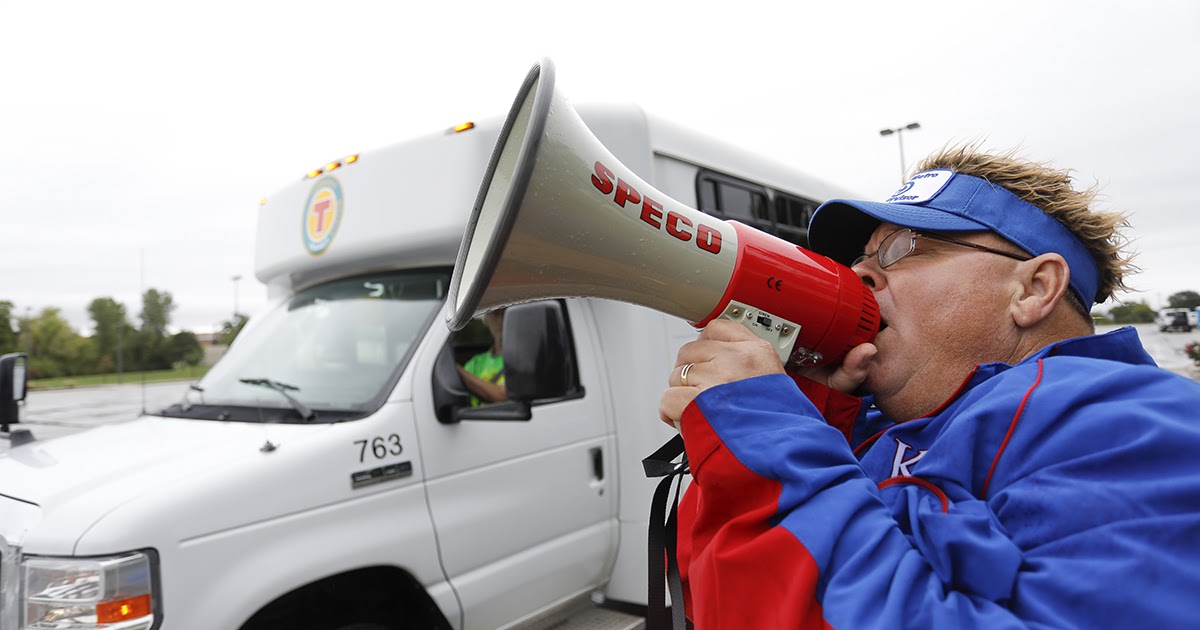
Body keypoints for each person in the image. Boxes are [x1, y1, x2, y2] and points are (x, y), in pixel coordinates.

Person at [659, 145, 1200, 628]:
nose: (860, 278)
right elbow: (722, 598)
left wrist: (766, 437)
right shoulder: (866, 427)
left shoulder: (1135, 424)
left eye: (902, 249)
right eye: (858, 262)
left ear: (1034, 289)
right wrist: (805, 415)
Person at [456, 309, 507, 405]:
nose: (501, 319)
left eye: (507, 312)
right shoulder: (475, 363)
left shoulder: (524, 359)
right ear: (486, 320)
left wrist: (453, 368)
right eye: (495, 313)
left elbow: (502, 396)